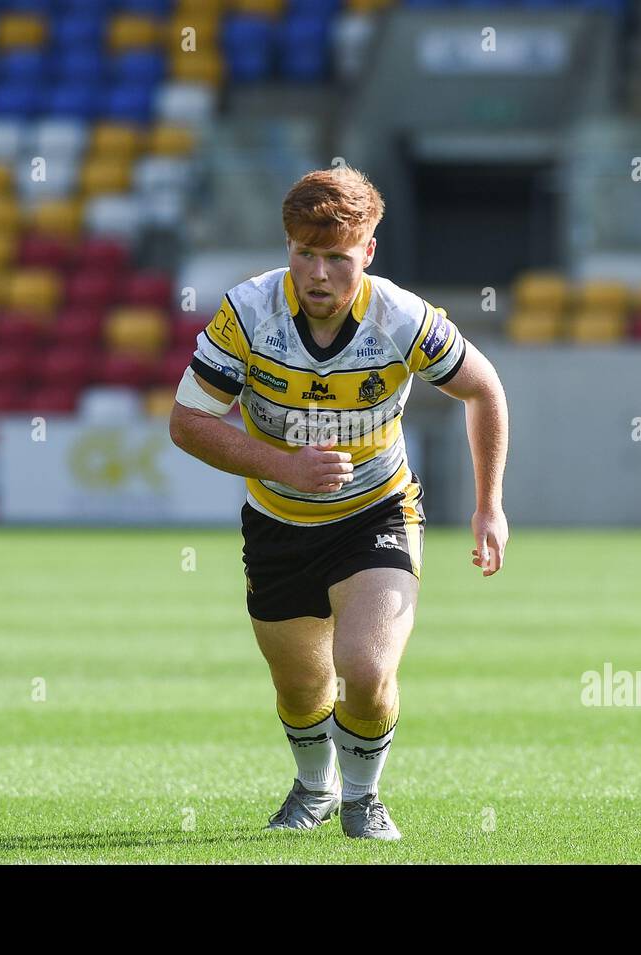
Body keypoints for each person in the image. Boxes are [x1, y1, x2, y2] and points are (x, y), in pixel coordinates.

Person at [169, 166, 510, 840]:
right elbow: (187, 422)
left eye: (338, 258)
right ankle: (315, 787)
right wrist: (283, 465)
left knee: (366, 667)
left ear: (369, 252)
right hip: (277, 520)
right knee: (300, 687)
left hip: (376, 512)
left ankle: (363, 797)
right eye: (305, 254)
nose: (318, 274)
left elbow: (483, 388)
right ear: (287, 247)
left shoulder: (402, 318)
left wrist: (489, 505)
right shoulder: (247, 313)